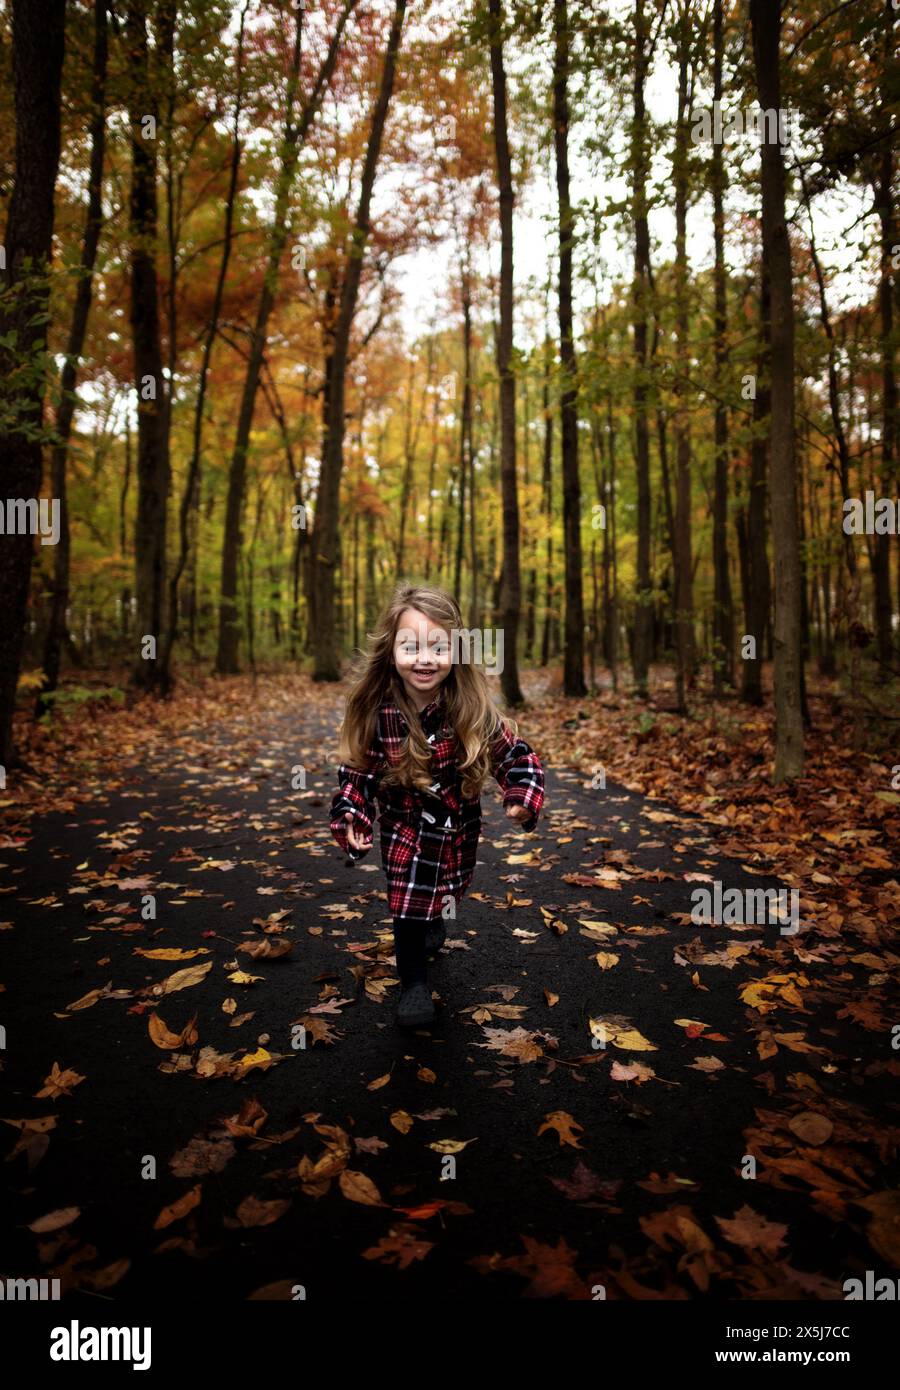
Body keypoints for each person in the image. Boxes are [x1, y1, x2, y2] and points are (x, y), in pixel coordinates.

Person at [329, 582, 545, 1029]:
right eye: (411, 646)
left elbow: (516, 756)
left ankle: (435, 921)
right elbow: (357, 775)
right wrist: (352, 813)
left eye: (437, 647)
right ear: (391, 652)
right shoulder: (380, 713)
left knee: (446, 892)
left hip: (457, 831)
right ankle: (413, 983)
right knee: (406, 901)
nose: (424, 658)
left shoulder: (471, 709)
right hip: (404, 829)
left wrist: (521, 796)